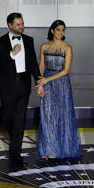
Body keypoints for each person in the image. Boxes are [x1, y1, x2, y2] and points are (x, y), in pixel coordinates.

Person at [0, 13, 41, 169]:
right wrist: (12, 54)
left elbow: (33, 62)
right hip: (7, 86)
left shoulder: (28, 40)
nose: (21, 26)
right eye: (18, 24)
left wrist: (38, 82)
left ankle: (15, 154)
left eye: (22, 23)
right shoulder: (0, 42)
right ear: (10, 25)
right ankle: (15, 140)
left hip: (23, 85)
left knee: (20, 120)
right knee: (7, 117)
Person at [35, 19, 81, 162]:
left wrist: (47, 80)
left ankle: (62, 148)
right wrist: (39, 85)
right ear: (52, 31)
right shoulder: (44, 46)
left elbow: (66, 70)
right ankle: (47, 149)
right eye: (58, 30)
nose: (61, 33)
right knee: (47, 115)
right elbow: (40, 68)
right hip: (47, 83)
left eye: (63, 30)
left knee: (62, 115)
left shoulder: (67, 48)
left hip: (61, 84)